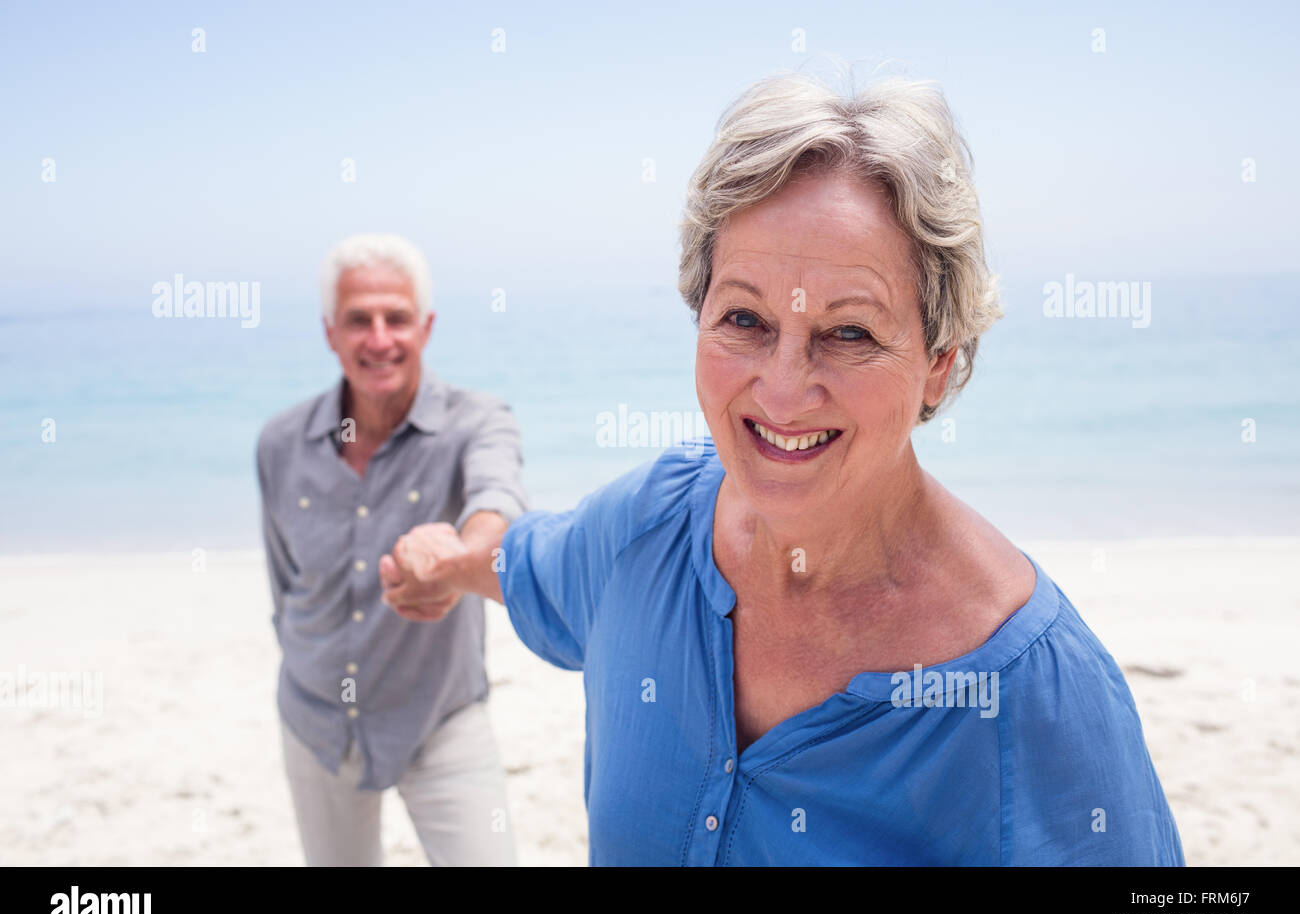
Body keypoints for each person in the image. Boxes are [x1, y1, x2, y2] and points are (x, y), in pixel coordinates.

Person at [381, 74, 1185, 865]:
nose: (785, 388)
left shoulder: (1036, 690)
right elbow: (534, 565)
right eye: (745, 319)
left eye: (849, 333)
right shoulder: (652, 526)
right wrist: (446, 563)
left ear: (940, 363)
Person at [256, 233, 526, 866]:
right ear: (330, 333)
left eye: (396, 318)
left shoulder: (478, 423)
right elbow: (282, 584)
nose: (379, 338)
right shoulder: (279, 444)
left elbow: (500, 507)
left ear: (425, 327)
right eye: (359, 320)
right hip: (314, 723)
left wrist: (458, 563)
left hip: (440, 719)